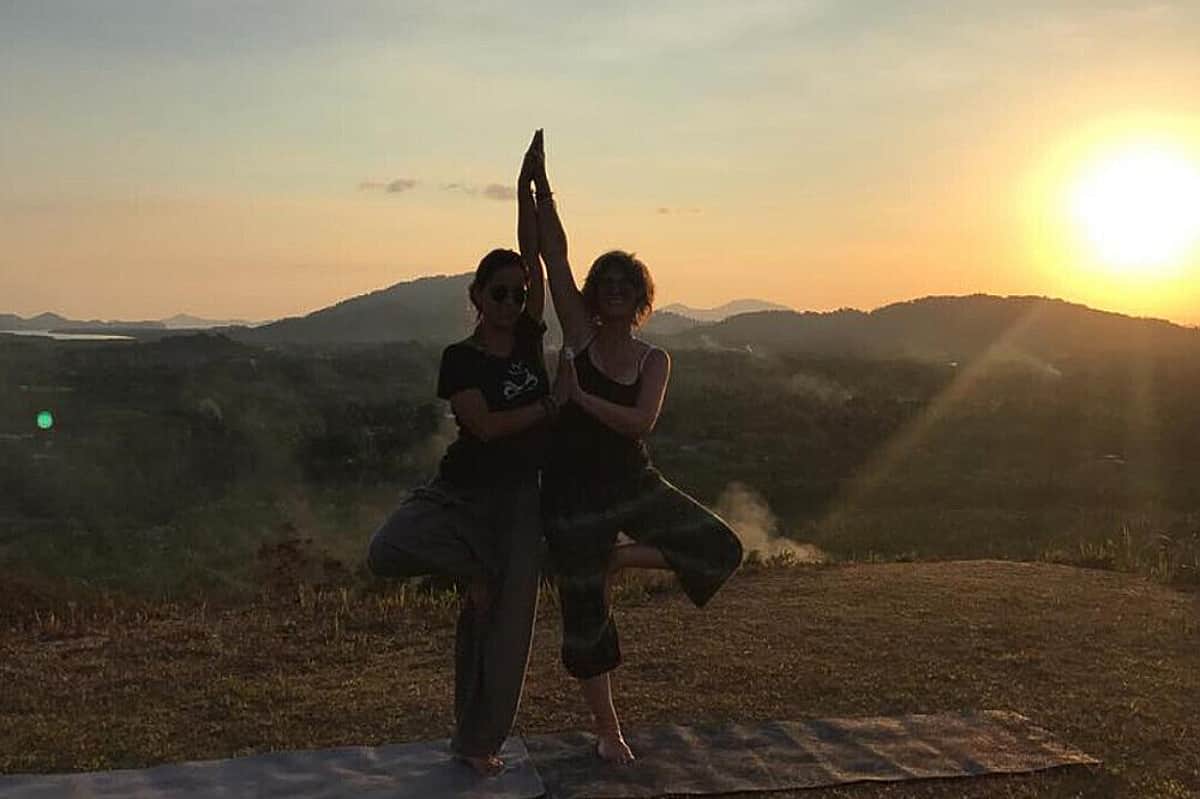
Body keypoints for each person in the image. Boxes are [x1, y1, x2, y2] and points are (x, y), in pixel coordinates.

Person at [529, 131, 744, 764]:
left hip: (631, 480)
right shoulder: (578, 332)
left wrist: (577, 398)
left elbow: (639, 423)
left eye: (627, 281)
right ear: (597, 292)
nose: (615, 287)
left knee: (719, 544)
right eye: (608, 280)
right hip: (572, 492)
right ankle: (608, 731)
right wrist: (543, 189)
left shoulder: (656, 358)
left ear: (640, 294)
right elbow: (553, 257)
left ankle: (619, 560)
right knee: (585, 616)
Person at [366, 137, 552, 776]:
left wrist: (531, 188)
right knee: (387, 549)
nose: (510, 302)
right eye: (498, 293)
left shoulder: (528, 337)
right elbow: (488, 426)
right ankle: (475, 565)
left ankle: (478, 745)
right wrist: (553, 409)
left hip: (521, 501)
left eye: (517, 295)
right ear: (476, 296)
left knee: (503, 633)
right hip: (462, 492)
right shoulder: (461, 359)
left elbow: (537, 255)